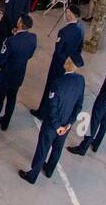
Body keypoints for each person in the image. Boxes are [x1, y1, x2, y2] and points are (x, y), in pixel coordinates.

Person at [19, 55, 85, 184]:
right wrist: (68, 124)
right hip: (66, 125)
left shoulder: (58, 83)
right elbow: (79, 105)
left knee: (42, 149)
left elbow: (52, 107)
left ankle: (32, 176)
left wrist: (57, 126)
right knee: (57, 149)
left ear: (68, 64)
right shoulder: (80, 81)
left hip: (52, 125)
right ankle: (49, 170)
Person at [32, 4, 83, 120]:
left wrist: (64, 62)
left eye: (67, 12)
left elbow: (58, 50)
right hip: (70, 64)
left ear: (70, 14)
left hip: (58, 64)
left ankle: (42, 112)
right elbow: (79, 48)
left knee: (50, 86)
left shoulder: (64, 31)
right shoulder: (81, 29)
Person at [0, 14, 37, 130]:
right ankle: (6, 122)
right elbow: (30, 55)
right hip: (18, 75)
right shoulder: (33, 38)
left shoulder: (10, 41)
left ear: (20, 24)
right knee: (11, 99)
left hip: (6, 75)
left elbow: (0, 61)